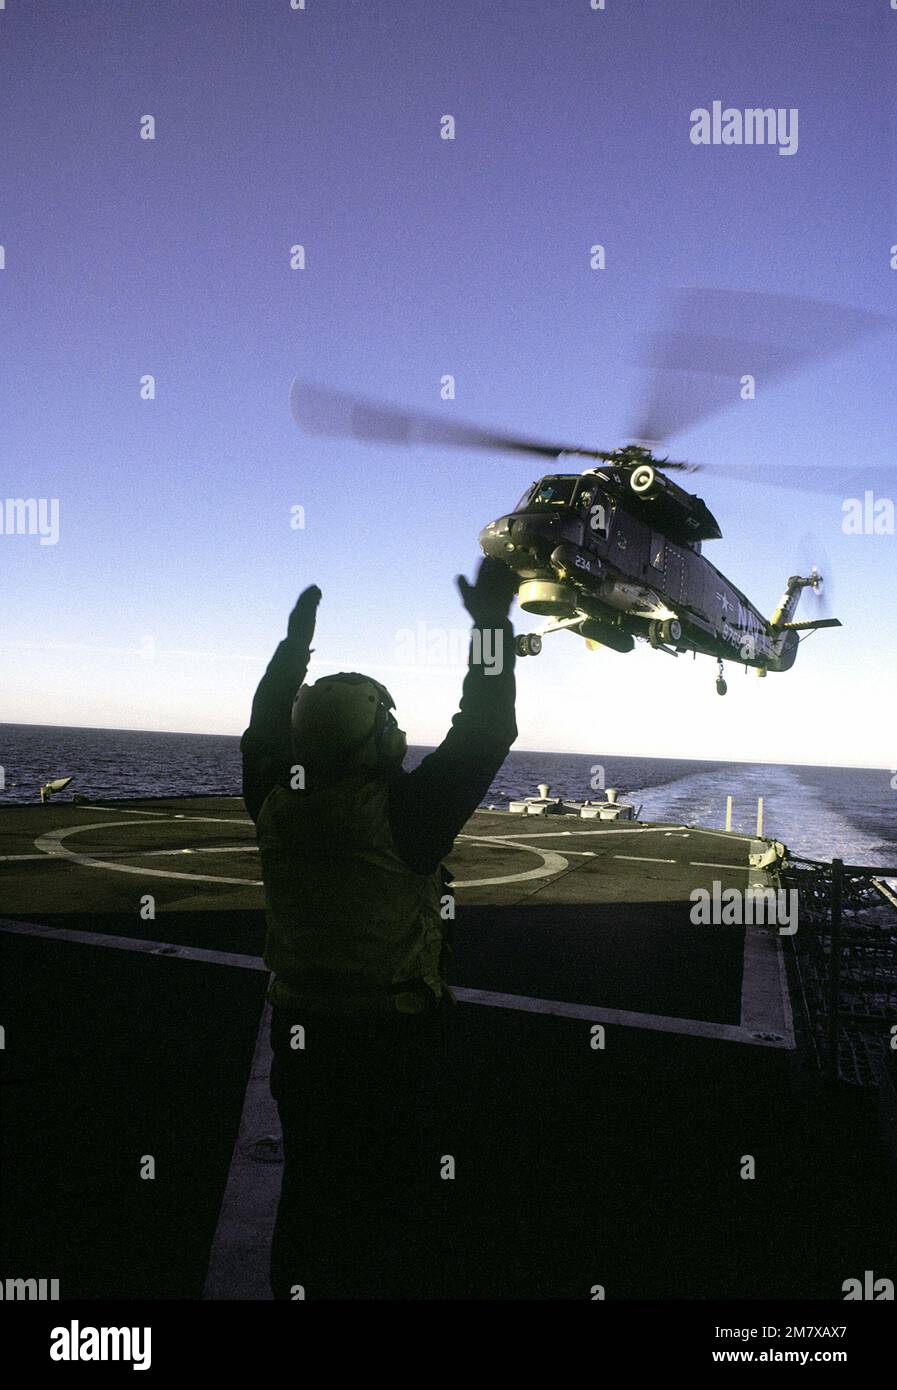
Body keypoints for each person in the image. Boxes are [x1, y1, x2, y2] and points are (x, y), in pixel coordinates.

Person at [241, 557, 518, 1299]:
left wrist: (294, 646)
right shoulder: (406, 816)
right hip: (390, 1036)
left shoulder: (272, 796)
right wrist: (491, 620)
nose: (399, 732)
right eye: (389, 723)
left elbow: (265, 721)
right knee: (393, 1193)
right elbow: (489, 724)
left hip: (300, 1029)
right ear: (373, 743)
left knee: (313, 1183)